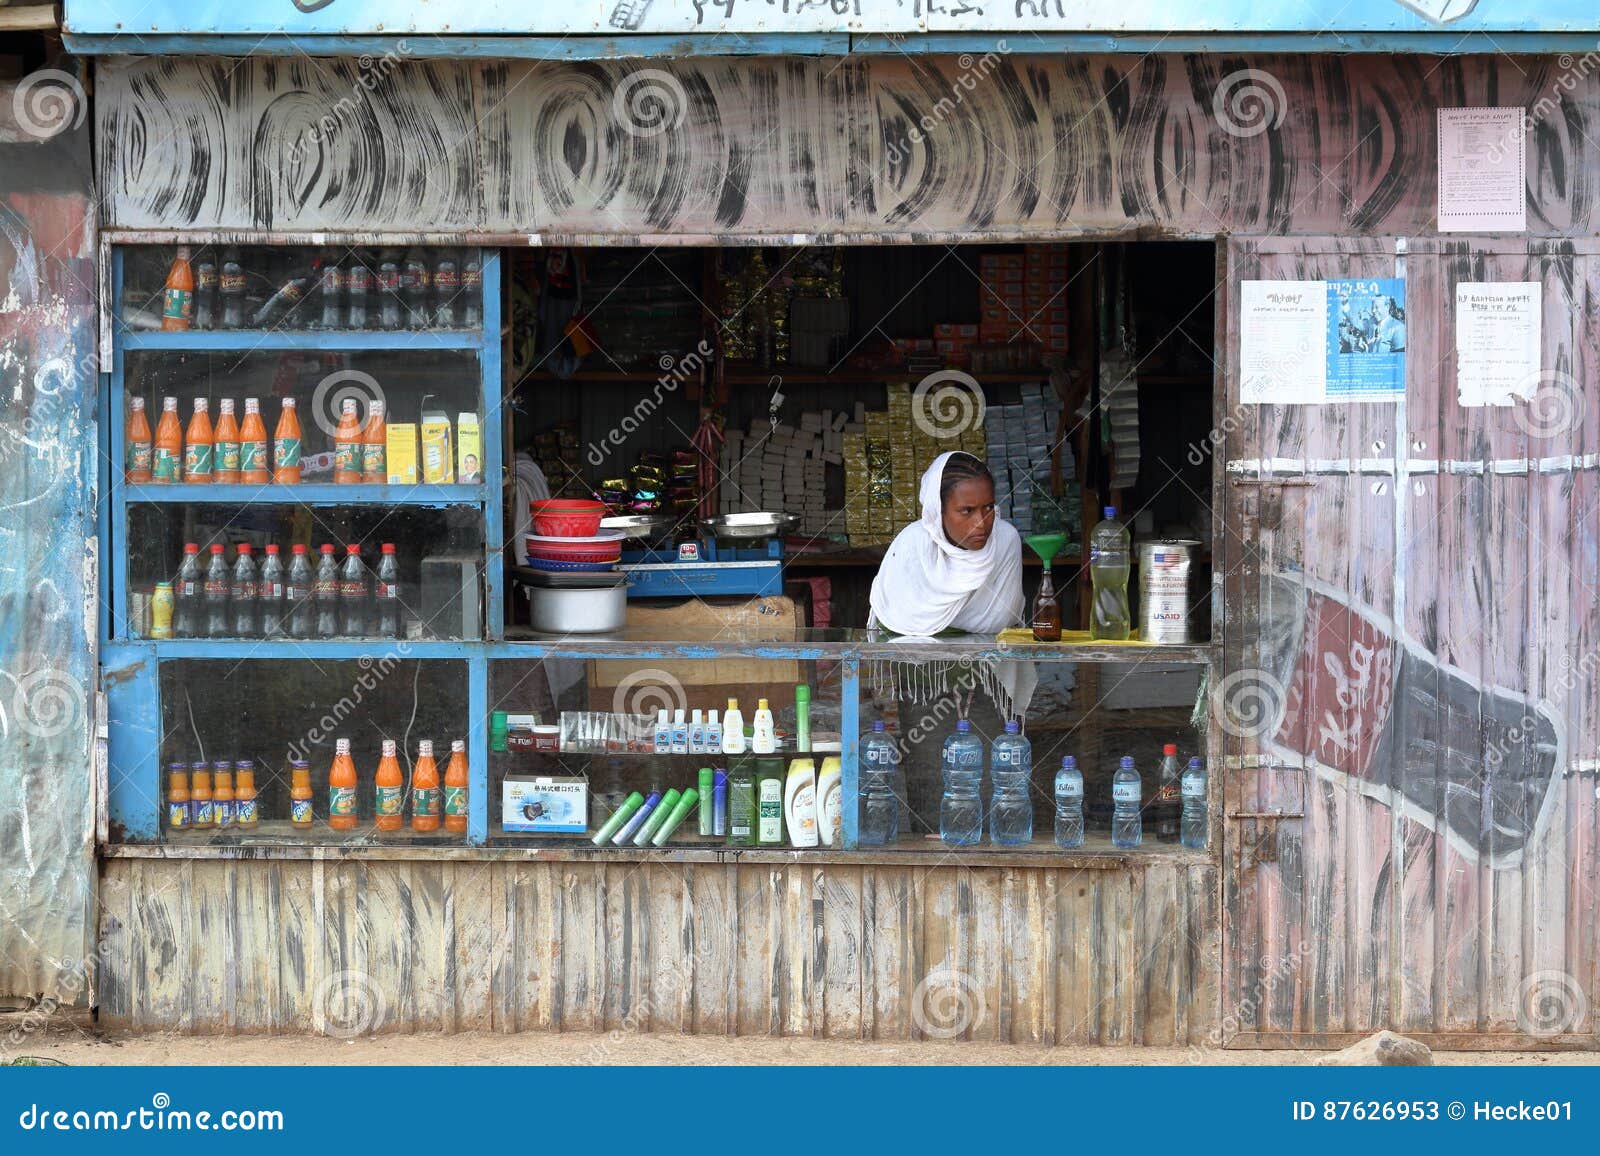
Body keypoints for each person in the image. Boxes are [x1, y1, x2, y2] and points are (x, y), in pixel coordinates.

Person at [868, 451, 1025, 635]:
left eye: (989, 507)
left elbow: (1002, 620)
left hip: (987, 660)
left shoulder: (1005, 540)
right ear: (938, 509)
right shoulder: (913, 544)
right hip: (909, 660)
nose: (981, 523)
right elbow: (893, 621)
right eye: (967, 511)